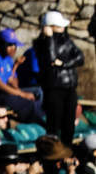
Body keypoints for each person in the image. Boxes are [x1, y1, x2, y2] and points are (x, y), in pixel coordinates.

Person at [33, 11, 83, 145]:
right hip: (54, 89)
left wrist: (64, 64)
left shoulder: (67, 41)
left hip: (70, 88)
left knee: (69, 124)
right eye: (59, 25)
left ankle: (67, 149)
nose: (63, 28)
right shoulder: (42, 44)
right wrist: (49, 38)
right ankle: (52, 152)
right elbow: (51, 58)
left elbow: (80, 57)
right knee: (54, 124)